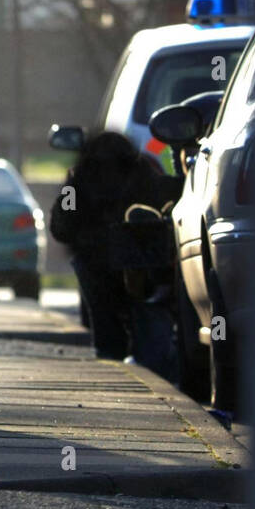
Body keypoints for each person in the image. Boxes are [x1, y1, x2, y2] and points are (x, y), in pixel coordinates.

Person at [48, 131, 179, 377]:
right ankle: (153, 365)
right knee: (149, 321)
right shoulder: (142, 173)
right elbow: (161, 208)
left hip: (97, 262)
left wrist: (85, 238)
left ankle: (111, 356)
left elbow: (61, 226)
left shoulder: (78, 180)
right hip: (141, 265)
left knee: (105, 320)